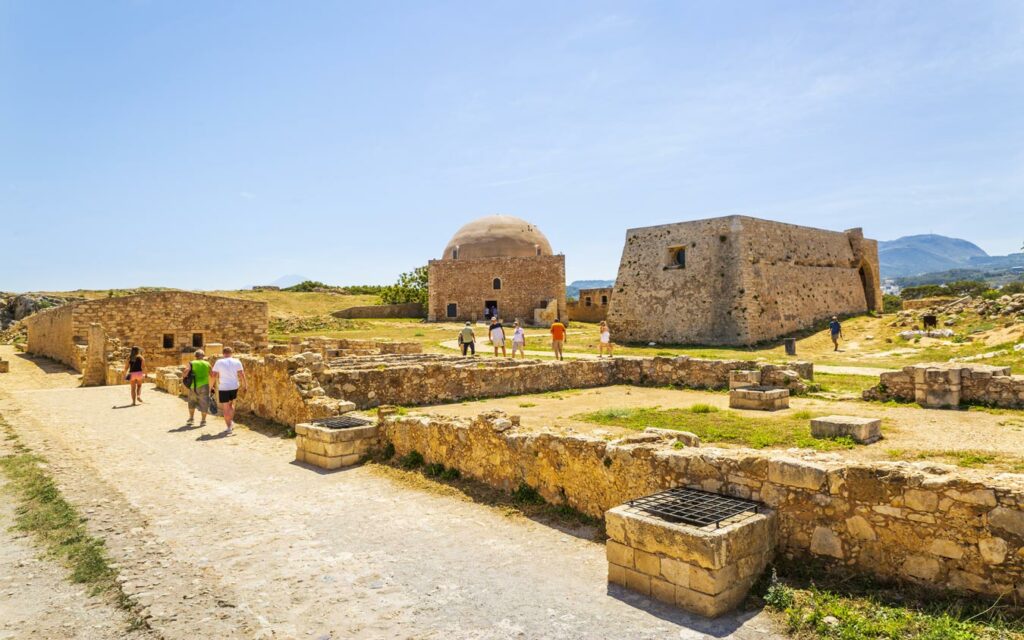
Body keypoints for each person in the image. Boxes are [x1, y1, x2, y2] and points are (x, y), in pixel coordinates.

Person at [211, 346, 246, 434]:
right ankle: (230, 422)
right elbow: (242, 374)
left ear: (223, 353)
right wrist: (245, 385)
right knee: (231, 404)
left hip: (224, 387)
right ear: (232, 353)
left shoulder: (219, 362)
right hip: (234, 386)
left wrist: (210, 386)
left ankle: (229, 427)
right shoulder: (237, 361)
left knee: (225, 407)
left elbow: (214, 375)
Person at [184, 349, 212, 427]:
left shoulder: (192, 363)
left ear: (195, 356)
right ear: (203, 356)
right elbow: (212, 374)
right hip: (205, 385)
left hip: (193, 386)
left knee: (192, 401)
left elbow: (185, 372)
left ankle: (191, 419)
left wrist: (185, 377)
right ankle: (203, 421)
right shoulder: (207, 363)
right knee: (204, 402)